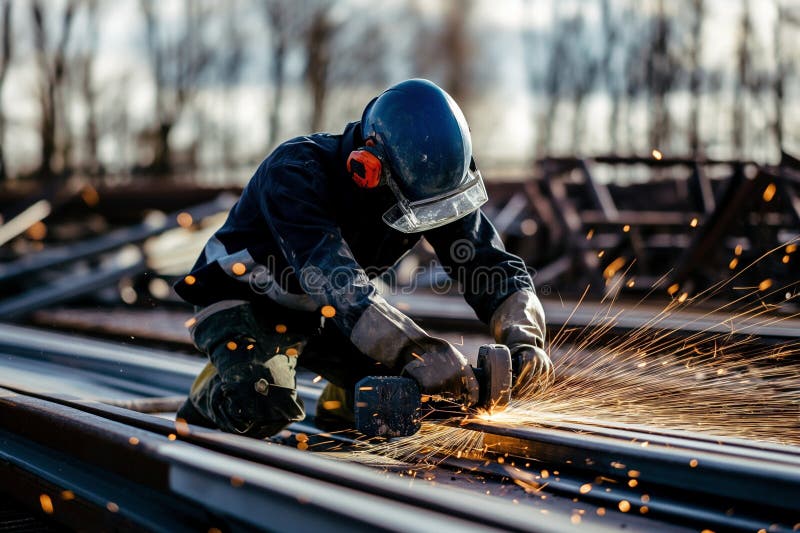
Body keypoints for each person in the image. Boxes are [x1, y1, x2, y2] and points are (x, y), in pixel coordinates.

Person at [174, 78, 553, 437]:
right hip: (243, 300)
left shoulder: (433, 183)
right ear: (366, 168)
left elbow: (486, 263)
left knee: (412, 395)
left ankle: (338, 411)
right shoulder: (295, 172)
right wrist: (418, 350)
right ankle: (216, 392)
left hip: (327, 313)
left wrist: (526, 338)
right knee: (260, 405)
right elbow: (337, 282)